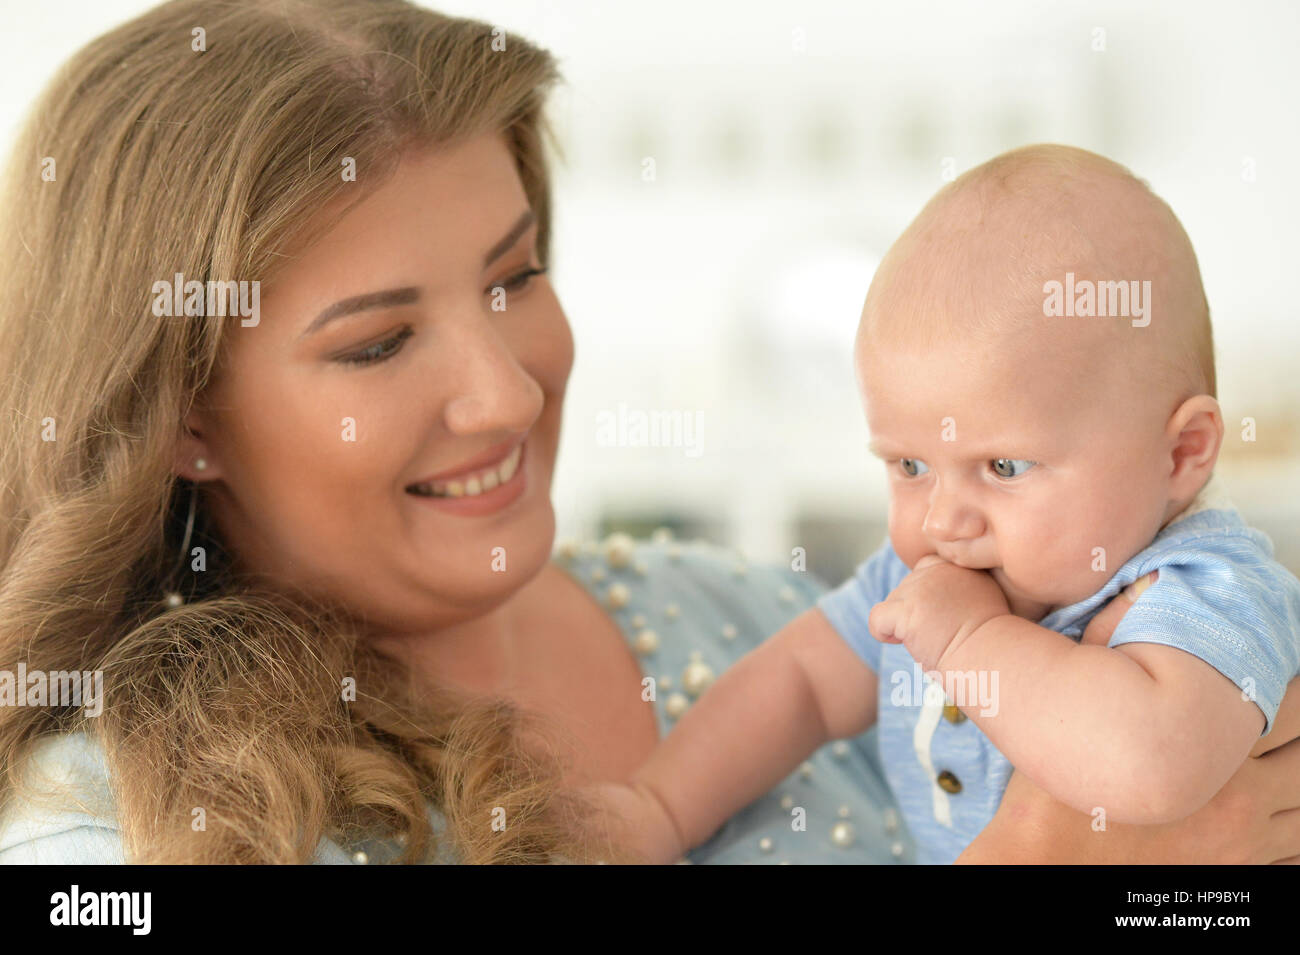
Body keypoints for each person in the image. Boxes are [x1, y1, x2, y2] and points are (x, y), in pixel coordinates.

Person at [0, 0, 1297, 865]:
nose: (508, 393)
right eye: (380, 340)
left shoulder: (747, 613)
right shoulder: (125, 827)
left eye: (515, 278)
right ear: (182, 419)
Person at [586, 145, 1300, 865]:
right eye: (910, 465)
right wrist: (661, 806)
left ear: (1180, 454)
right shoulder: (923, 581)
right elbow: (796, 682)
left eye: (1004, 465)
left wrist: (971, 643)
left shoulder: (1208, 589)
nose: (943, 520)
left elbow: (1151, 767)